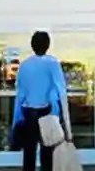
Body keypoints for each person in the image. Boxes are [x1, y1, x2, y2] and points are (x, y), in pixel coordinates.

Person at [11, 31, 72, 171]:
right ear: (48, 45)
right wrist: (68, 128)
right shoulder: (52, 63)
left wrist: (15, 123)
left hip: (28, 113)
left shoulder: (24, 65)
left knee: (28, 155)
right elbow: (62, 92)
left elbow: (20, 96)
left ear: (32, 45)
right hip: (46, 113)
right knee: (47, 156)